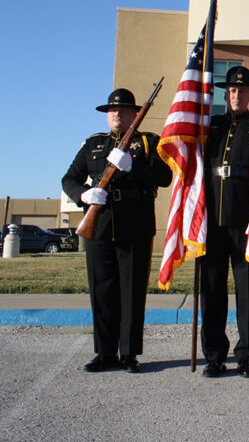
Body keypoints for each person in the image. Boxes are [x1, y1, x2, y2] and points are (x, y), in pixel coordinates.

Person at [62, 88, 172, 373]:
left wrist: (133, 166)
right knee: (102, 289)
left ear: (135, 114)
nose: (116, 114)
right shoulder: (94, 144)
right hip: (99, 225)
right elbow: (69, 178)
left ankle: (129, 353)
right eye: (112, 110)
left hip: (135, 224)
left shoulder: (148, 143)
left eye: (123, 110)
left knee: (132, 291)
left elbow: (164, 177)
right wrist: (84, 195)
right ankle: (104, 352)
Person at [201, 66, 249, 378]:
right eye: (232, 90)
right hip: (212, 221)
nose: (237, 95)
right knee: (212, 290)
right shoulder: (209, 126)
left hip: (244, 221)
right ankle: (214, 356)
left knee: (246, 292)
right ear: (225, 94)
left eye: (242, 90)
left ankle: (245, 356)